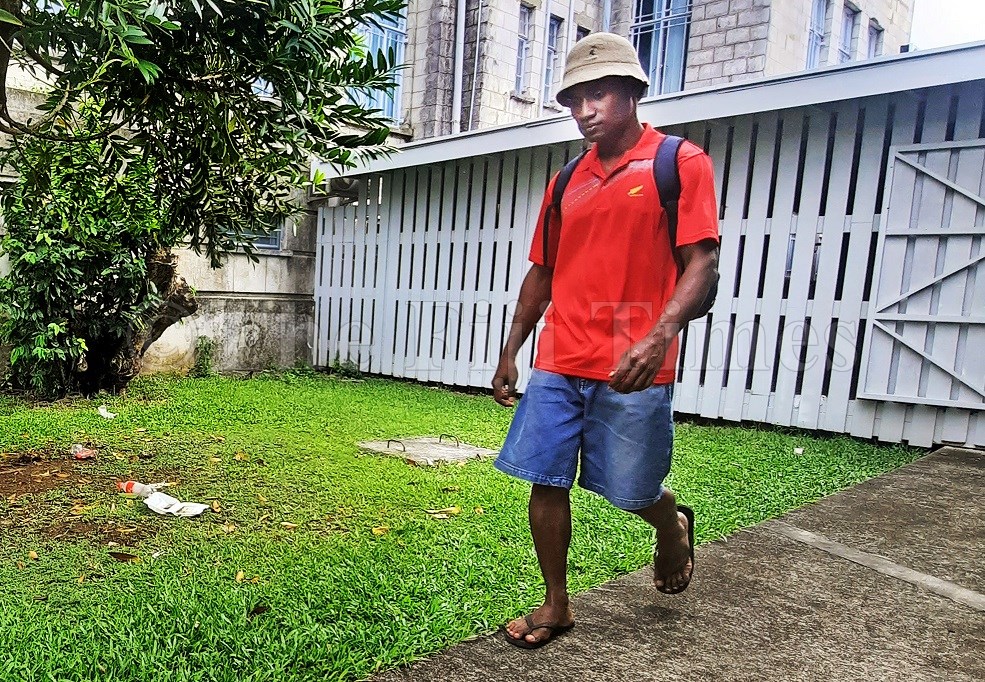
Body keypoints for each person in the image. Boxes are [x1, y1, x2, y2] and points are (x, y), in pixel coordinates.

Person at [491, 33, 720, 650]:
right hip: (560, 356)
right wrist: (513, 348)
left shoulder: (678, 163)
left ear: (633, 93)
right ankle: (556, 603)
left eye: (599, 94)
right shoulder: (567, 181)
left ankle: (668, 521)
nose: (586, 110)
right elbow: (543, 269)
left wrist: (658, 338)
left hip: (634, 361)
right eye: (575, 99)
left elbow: (702, 262)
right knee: (545, 474)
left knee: (629, 487)